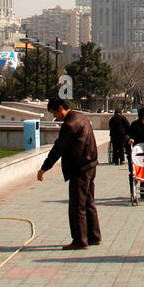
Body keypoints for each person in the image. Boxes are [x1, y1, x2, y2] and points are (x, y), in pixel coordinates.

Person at [36, 98, 101, 250]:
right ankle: (94, 236)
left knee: (77, 205)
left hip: (79, 168)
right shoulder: (82, 117)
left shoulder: (69, 125)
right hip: (91, 165)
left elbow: (58, 148)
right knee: (89, 202)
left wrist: (44, 168)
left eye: (54, 113)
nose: (55, 117)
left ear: (60, 108)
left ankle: (80, 240)